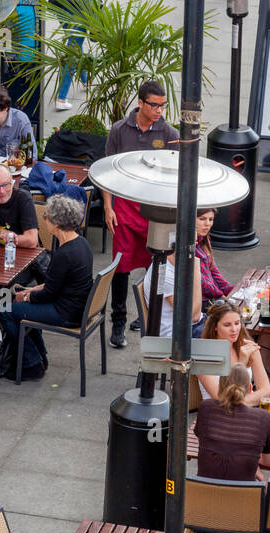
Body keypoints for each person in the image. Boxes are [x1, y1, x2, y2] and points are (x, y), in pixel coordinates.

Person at [104, 80, 179, 348]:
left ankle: (147, 315)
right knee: (121, 266)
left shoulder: (170, 132)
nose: (159, 110)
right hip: (124, 207)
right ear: (140, 103)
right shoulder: (119, 130)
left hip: (154, 210)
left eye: (162, 105)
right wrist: (108, 206)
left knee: (154, 264)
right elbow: (107, 171)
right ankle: (118, 323)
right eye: (154, 105)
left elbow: (177, 175)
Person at [4, 193, 94, 379]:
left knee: (6, 311)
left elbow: (48, 295)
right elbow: (54, 284)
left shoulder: (64, 254)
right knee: (22, 305)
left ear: (57, 223)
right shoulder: (81, 243)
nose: (44, 220)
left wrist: (25, 296)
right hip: (77, 306)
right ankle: (39, 355)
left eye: (48, 217)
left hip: (66, 313)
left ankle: (31, 363)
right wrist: (30, 290)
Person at [194, 365, 270, 483]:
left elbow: (210, 444)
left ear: (220, 387)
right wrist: (250, 459)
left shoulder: (206, 408)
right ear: (250, 389)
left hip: (204, 494)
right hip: (244, 497)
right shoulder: (263, 418)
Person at [196, 300, 270, 404]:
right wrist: (241, 363)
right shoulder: (204, 355)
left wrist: (240, 403)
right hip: (218, 414)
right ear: (215, 327)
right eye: (227, 325)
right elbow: (221, 397)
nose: (234, 329)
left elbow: (266, 391)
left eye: (237, 323)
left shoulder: (249, 347)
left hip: (247, 411)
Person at [141, 241, 202, 338]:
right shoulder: (165, 274)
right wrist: (196, 270)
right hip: (177, 335)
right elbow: (193, 316)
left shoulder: (178, 263)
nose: (195, 247)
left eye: (195, 242)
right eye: (191, 243)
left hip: (189, 327)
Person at [195, 208, 233, 309]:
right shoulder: (188, 247)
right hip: (199, 302)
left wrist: (231, 290)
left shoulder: (204, 240)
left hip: (213, 296)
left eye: (211, 219)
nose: (207, 224)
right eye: (202, 219)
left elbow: (214, 271)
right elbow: (200, 281)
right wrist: (221, 296)